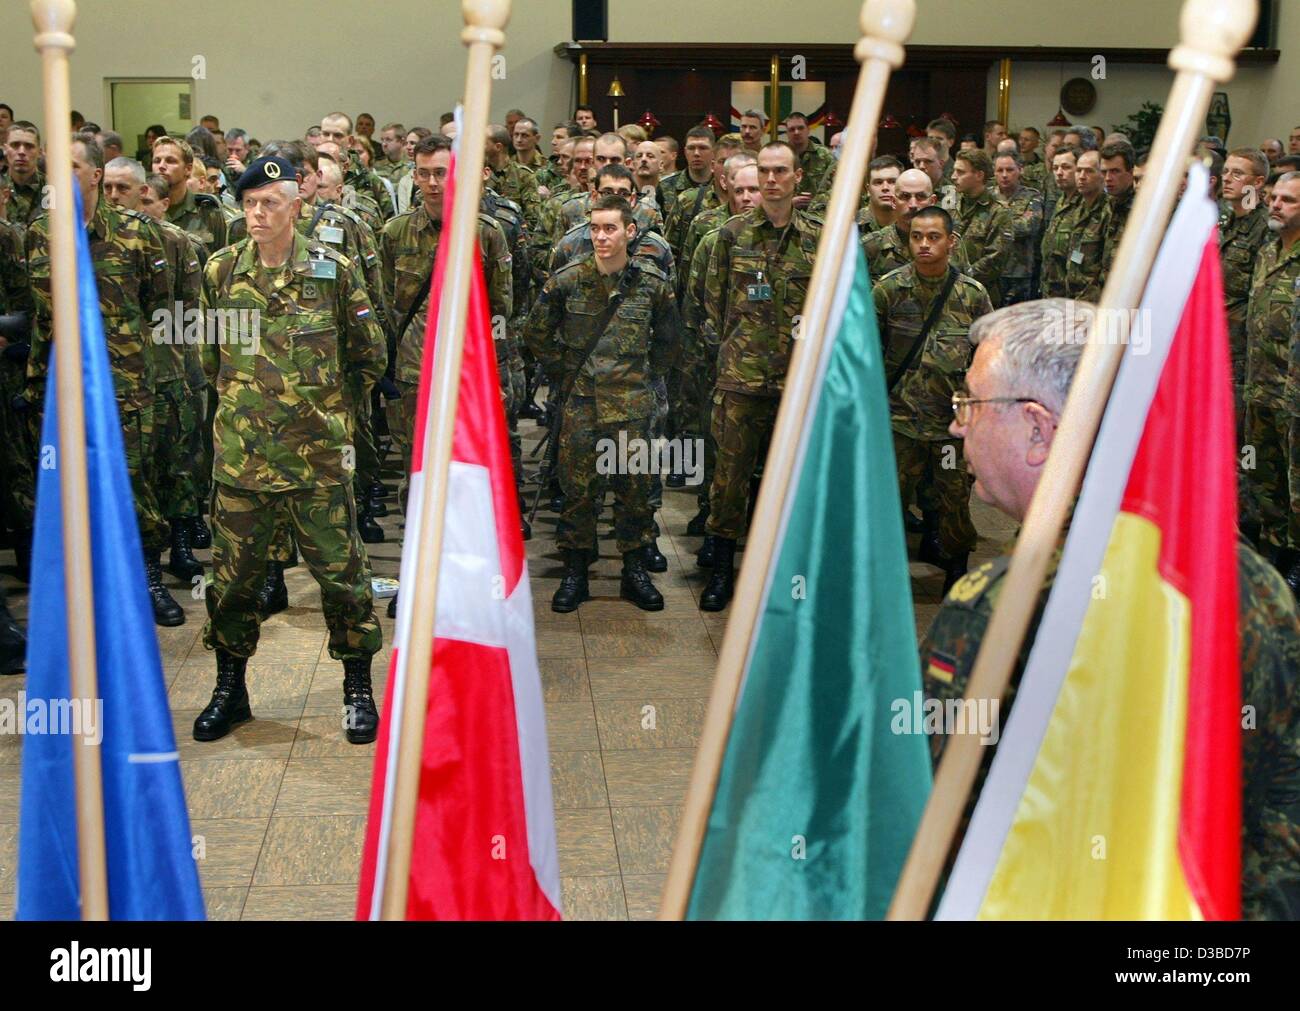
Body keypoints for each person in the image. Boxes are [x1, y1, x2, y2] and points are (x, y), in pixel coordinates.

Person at [921, 297, 1300, 920]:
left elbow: (936, 827)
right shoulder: (1250, 580)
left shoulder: (1006, 606)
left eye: (971, 402)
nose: (958, 424)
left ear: (1039, 429)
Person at [194, 155, 385, 744]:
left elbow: (368, 356)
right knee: (232, 583)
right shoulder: (221, 271)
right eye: (249, 202)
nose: (256, 213)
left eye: (269, 202)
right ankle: (231, 687)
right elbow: (209, 358)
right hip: (244, 462)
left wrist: (323, 415)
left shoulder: (333, 269)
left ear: (295, 207)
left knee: (342, 577)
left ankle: (357, 687)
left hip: (318, 462)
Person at [26, 135, 183, 625]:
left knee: (138, 485)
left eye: (72, 167)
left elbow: (164, 306)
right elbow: (41, 315)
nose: (61, 176)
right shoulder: (39, 233)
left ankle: (148, 579)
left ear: (96, 176)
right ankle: (81, 590)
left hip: (129, 384)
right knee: (68, 487)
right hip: (62, 389)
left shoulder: (138, 234)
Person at [522, 195, 676, 614]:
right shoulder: (568, 280)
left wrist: (644, 376)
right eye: (595, 228)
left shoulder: (652, 283)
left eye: (610, 228)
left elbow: (668, 341)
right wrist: (566, 370)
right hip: (581, 406)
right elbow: (535, 332)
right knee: (578, 492)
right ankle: (576, 573)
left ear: (629, 231)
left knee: (635, 492)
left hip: (633, 405)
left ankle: (634, 571)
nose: (601, 236)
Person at [698, 141, 822, 611]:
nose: (771, 180)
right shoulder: (730, 236)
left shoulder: (819, 237)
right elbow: (712, 303)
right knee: (729, 481)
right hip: (741, 381)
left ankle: (783, 577)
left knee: (789, 482)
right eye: (764, 172)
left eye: (780, 172)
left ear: (797, 178)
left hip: (797, 385)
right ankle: (722, 573)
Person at [874, 206, 993, 590]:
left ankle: (957, 575)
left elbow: (987, 362)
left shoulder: (971, 296)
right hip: (900, 424)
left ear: (951, 242)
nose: (924, 244)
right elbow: (868, 357)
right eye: (916, 237)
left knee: (954, 501)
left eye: (934, 237)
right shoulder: (889, 291)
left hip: (948, 429)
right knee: (888, 504)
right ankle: (885, 581)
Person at [102, 156, 207, 584]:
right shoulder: (91, 241)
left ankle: (180, 546)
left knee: (176, 464)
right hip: (116, 379)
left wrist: (172, 362)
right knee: (133, 472)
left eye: (123, 189)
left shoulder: (174, 242)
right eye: (107, 188)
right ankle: (141, 565)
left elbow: (187, 310)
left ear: (144, 191)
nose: (114, 197)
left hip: (166, 371)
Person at [1241, 171, 1300, 591]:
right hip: (1260, 387)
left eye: (1288, 200)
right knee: (1259, 474)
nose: (1276, 205)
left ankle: (1295, 562)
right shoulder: (1266, 252)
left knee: (1296, 487)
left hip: (1293, 396)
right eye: (1274, 197)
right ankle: (1270, 554)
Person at [1218, 148, 1272, 430]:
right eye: (1226, 171)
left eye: (1237, 174)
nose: (1227, 179)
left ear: (1259, 182)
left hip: (1240, 346)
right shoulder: (1224, 220)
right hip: (1214, 337)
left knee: (1234, 426)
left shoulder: (1265, 228)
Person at [950, 149, 1013, 305]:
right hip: (948, 293)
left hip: (981, 296)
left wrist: (960, 278)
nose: (953, 177)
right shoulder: (951, 203)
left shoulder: (998, 211)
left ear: (979, 175)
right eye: (954, 171)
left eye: (960, 172)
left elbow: (996, 259)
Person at [152, 134, 228, 250]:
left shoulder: (208, 211)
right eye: (156, 161)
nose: (161, 166)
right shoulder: (144, 208)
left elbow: (220, 259)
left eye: (170, 161)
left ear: (188, 169)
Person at [992, 151, 1043, 306]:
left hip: (1019, 272)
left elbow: (1029, 226)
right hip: (991, 270)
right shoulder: (987, 196)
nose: (1005, 175)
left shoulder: (1032, 196)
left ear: (1020, 170)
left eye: (1010, 170)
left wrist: (995, 226)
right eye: (1000, 170)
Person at [1, 122, 46, 228]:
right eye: (15, 145)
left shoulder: (52, 189)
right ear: (5, 150)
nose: (21, 152)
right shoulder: (1, 186)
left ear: (39, 152)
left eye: (29, 146)